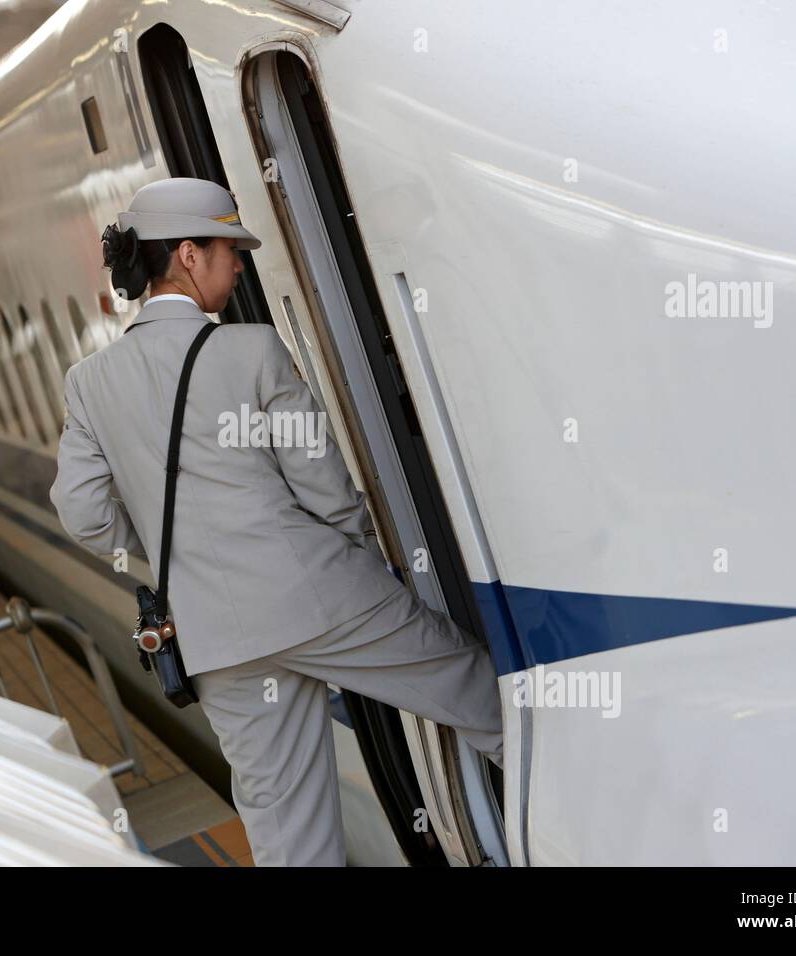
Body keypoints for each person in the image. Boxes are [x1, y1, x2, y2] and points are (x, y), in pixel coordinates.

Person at [50, 177, 503, 866]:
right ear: (189, 256)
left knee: (288, 834)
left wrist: (178, 553)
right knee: (482, 696)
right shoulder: (252, 351)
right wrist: (364, 567)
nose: (238, 267)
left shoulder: (90, 380)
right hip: (316, 595)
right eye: (230, 250)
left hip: (212, 638)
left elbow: (83, 515)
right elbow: (326, 491)